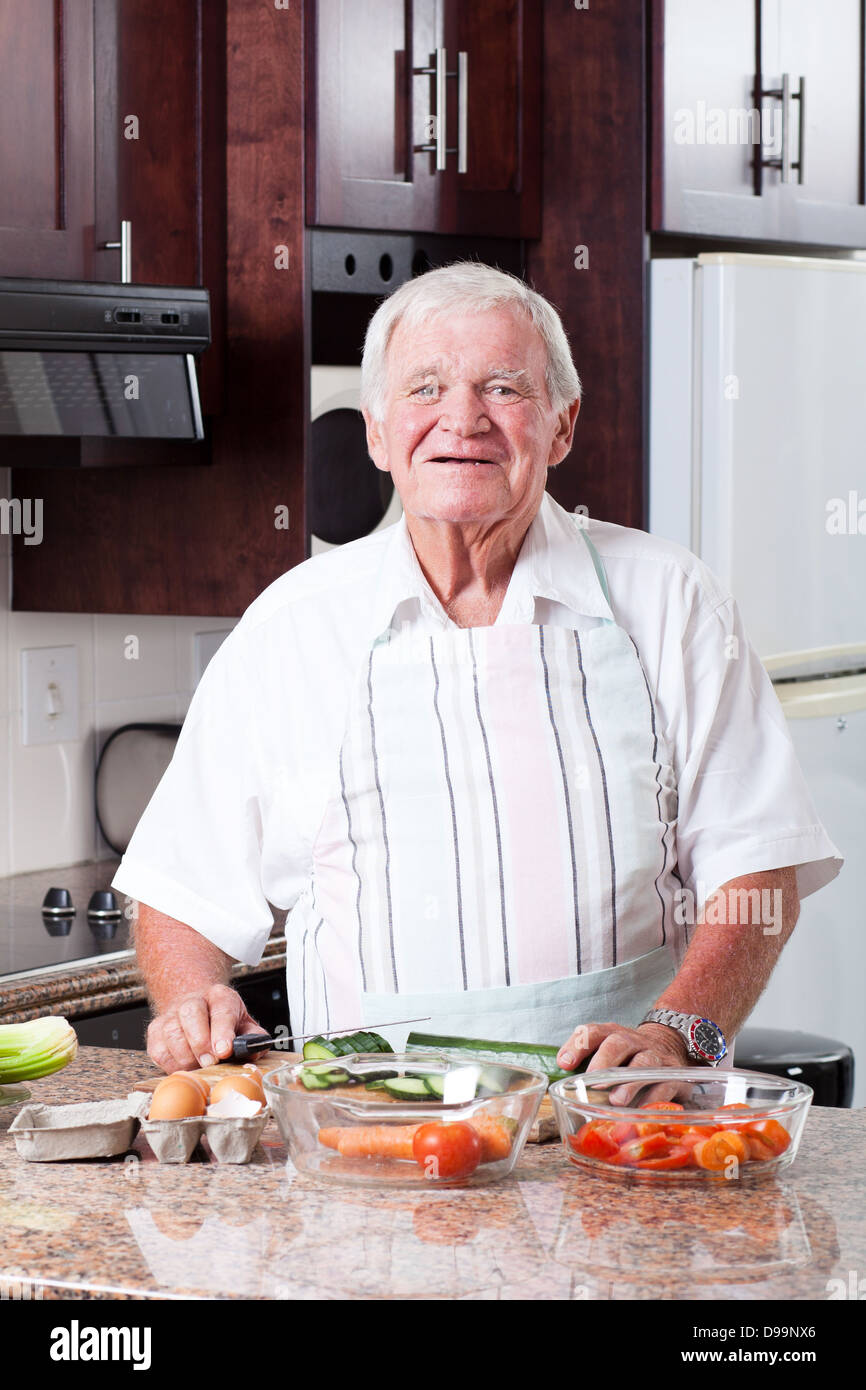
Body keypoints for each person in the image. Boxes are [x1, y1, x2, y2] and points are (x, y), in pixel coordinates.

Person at [113, 262, 841, 1080]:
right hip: (371, 1141)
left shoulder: (672, 601)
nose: (463, 420)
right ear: (378, 434)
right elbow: (179, 891)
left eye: (504, 388)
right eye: (424, 388)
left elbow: (759, 875)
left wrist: (678, 1031)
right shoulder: (292, 628)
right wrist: (191, 997)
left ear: (561, 426)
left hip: (626, 1124)